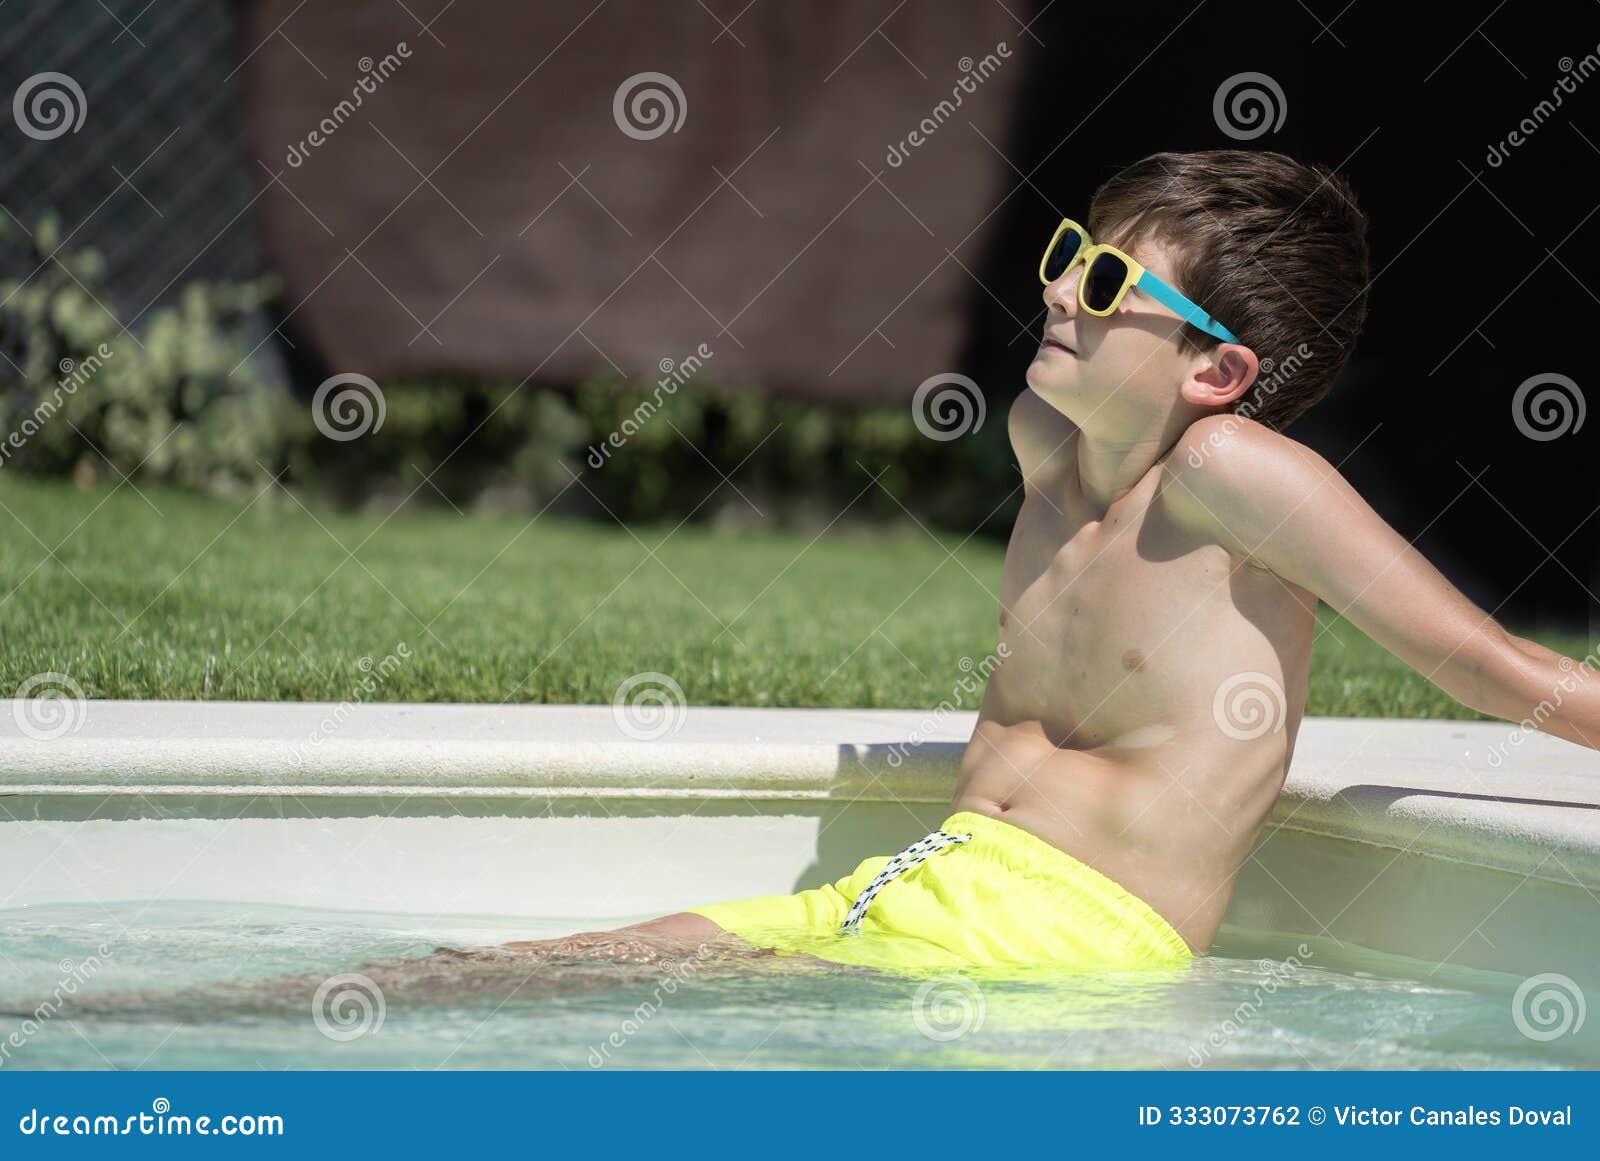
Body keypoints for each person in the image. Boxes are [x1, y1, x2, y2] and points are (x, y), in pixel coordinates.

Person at [509, 149, 1599, 971]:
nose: (1062, 287)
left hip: (1067, 937)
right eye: (1072, 252)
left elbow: (1483, 663)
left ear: (1215, 370)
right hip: (918, 886)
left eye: (1110, 274)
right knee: (511, 977)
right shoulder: (1049, 453)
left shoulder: (1232, 475)